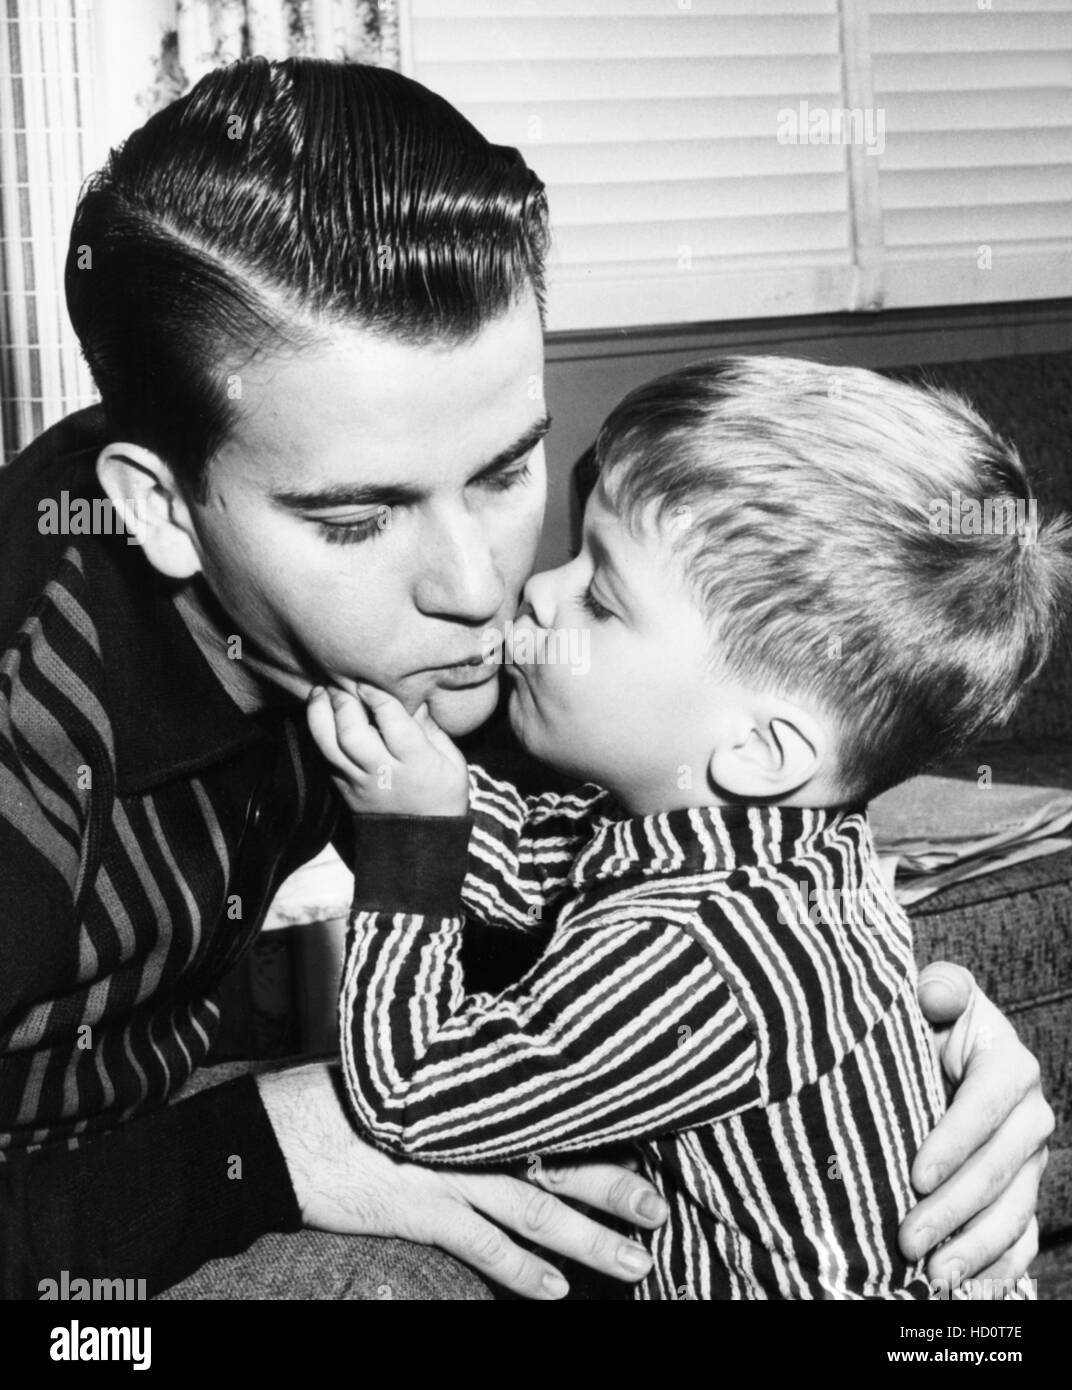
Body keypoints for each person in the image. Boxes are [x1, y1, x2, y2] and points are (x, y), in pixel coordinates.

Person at [0, 60, 1051, 1301]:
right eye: (355, 520)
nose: (480, 591)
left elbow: (678, 819)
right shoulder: (32, 731)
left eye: (505, 474)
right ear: (162, 511)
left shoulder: (415, 607)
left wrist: (922, 1045)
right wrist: (258, 1151)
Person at [311, 356, 1071, 1299]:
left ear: (760, 751)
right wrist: (399, 788)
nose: (543, 594)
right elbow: (531, 852)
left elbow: (411, 1097)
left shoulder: (704, 954)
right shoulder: (756, 845)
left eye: (602, 597)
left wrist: (406, 849)